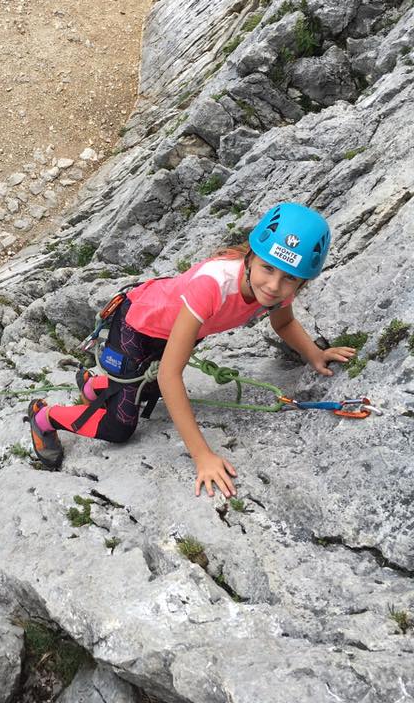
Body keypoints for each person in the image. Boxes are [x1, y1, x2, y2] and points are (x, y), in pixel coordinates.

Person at [27, 203, 356, 497]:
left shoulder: (277, 290)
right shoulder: (213, 285)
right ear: (251, 258)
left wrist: (314, 354)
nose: (273, 286)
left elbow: (282, 324)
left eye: (289, 279)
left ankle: (94, 386)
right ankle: (44, 417)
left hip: (168, 330)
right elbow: (172, 373)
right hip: (137, 328)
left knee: (152, 390)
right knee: (120, 427)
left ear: (300, 283)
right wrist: (203, 456)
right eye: (268, 269)